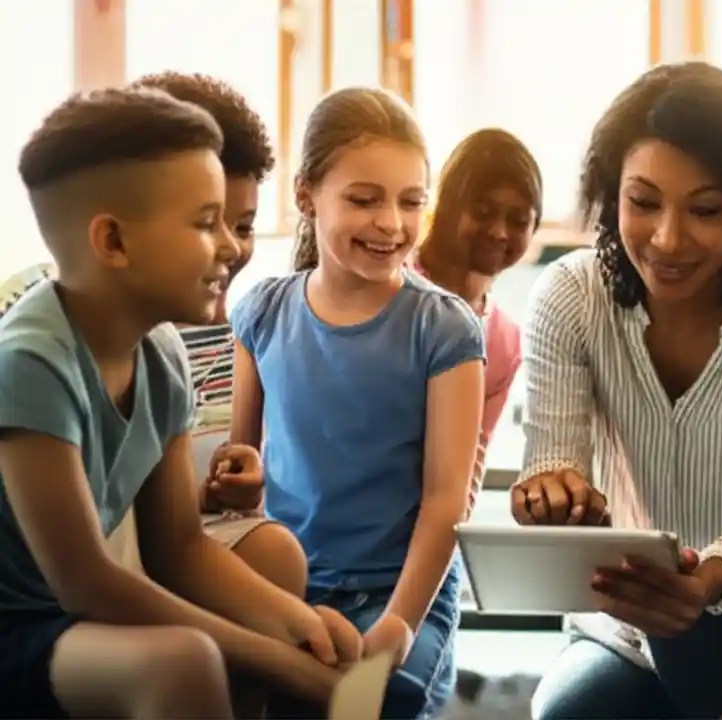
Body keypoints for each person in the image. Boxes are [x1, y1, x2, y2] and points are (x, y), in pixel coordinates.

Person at [0, 87, 358, 719]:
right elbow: (85, 583)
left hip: (68, 623)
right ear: (113, 241)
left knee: (307, 636)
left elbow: (180, 548)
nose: (230, 247)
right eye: (204, 223)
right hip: (21, 626)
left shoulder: (161, 353)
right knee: (186, 661)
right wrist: (280, 664)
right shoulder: (30, 364)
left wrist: (298, 625)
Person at [514, 61, 722, 720]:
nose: (668, 240)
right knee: (570, 712)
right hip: (623, 622)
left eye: (706, 210)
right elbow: (553, 456)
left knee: (696, 640)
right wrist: (553, 492)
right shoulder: (571, 295)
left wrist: (705, 583)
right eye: (643, 202)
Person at [231, 86, 484, 717]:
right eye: (364, 200)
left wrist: (399, 623)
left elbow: (447, 497)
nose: (392, 223)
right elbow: (239, 467)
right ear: (306, 196)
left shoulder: (445, 328)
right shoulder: (261, 312)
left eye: (411, 201)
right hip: (285, 586)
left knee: (375, 701)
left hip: (399, 592)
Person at [131, 71, 307, 597]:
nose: (230, 248)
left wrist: (236, 489)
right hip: (98, 552)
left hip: (192, 542)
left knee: (277, 556)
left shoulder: (242, 338)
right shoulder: (90, 332)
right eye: (207, 224)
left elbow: (202, 500)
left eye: (245, 226)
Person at [414, 128, 541, 509]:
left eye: (518, 220)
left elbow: (471, 464)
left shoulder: (505, 340)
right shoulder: (392, 289)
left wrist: (449, 535)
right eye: (483, 212)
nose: (499, 232)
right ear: (448, 206)